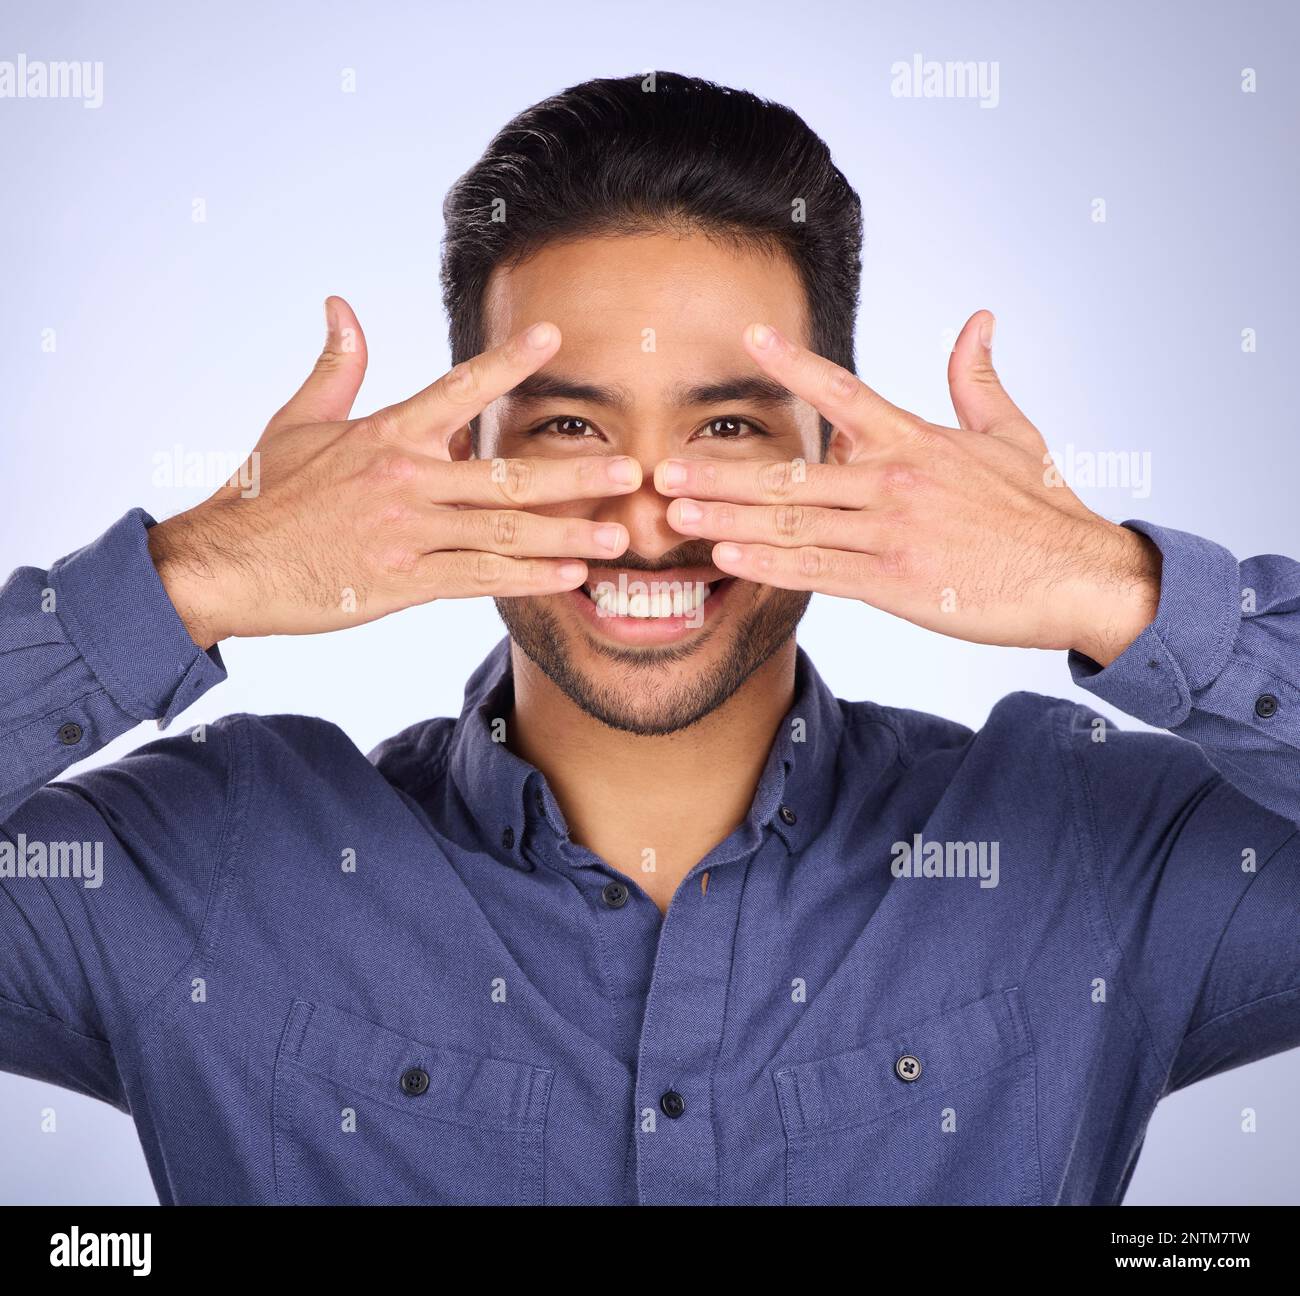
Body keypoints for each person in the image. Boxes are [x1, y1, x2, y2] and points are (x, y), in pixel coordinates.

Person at [2, 72, 1297, 1206]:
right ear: (460, 461)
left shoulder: (1089, 852)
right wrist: (196, 574)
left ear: (840, 459)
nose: (647, 511)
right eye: (570, 427)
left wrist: (1113, 588)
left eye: (729, 428)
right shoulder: (213, 869)